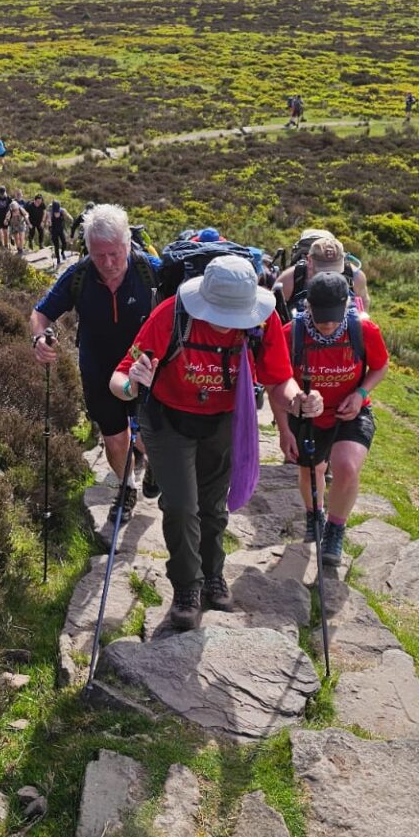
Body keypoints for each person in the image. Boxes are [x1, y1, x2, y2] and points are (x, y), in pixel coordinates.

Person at [110, 256, 321, 626]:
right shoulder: (170, 316)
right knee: (181, 506)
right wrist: (133, 385)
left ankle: (212, 574)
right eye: (221, 315)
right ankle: (186, 586)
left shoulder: (262, 321)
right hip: (167, 419)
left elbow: (279, 380)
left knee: (212, 505)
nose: (228, 324)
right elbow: (119, 379)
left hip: (223, 420)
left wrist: (299, 402)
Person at [32, 204, 159, 522]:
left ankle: (155, 466)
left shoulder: (150, 271)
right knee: (114, 437)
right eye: (99, 255)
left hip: (145, 370)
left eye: (115, 253)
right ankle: (127, 487)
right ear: (88, 248)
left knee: (150, 437)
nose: (108, 263)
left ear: (128, 243)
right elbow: (41, 313)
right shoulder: (79, 276)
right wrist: (39, 338)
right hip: (98, 371)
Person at [278, 271, 389, 566]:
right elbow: (278, 380)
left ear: (347, 306)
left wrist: (361, 393)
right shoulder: (291, 334)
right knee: (311, 470)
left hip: (349, 412)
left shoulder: (363, 330)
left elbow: (380, 366)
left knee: (347, 467)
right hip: (307, 416)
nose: (328, 325)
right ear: (308, 306)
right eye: (321, 318)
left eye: (334, 318)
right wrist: (287, 423)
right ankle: (314, 515)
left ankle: (335, 529)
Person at [276, 232, 370, 315]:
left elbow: (363, 302)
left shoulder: (355, 278)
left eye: (335, 270)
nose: (328, 275)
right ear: (309, 261)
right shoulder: (290, 280)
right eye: (322, 270)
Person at [48, 200, 72, 265]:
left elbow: (69, 217)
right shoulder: (50, 212)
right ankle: (58, 259)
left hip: (61, 229)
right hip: (54, 231)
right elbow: (49, 220)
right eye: (55, 210)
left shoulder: (62, 211)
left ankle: (62, 252)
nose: (56, 212)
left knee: (64, 243)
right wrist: (49, 226)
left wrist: (70, 220)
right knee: (56, 245)